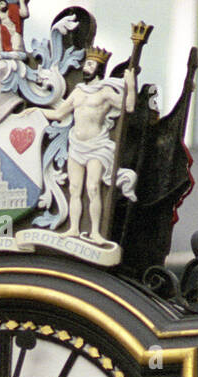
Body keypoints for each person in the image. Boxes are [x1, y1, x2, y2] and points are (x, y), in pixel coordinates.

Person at [37, 48, 137, 243]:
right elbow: (59, 114)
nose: (86, 68)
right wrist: (33, 111)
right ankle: (74, 228)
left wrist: (131, 86)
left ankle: (95, 232)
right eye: (86, 64)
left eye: (90, 65)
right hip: (76, 145)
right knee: (75, 188)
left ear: (99, 68)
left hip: (97, 146)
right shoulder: (78, 92)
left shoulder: (105, 92)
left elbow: (129, 107)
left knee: (92, 188)